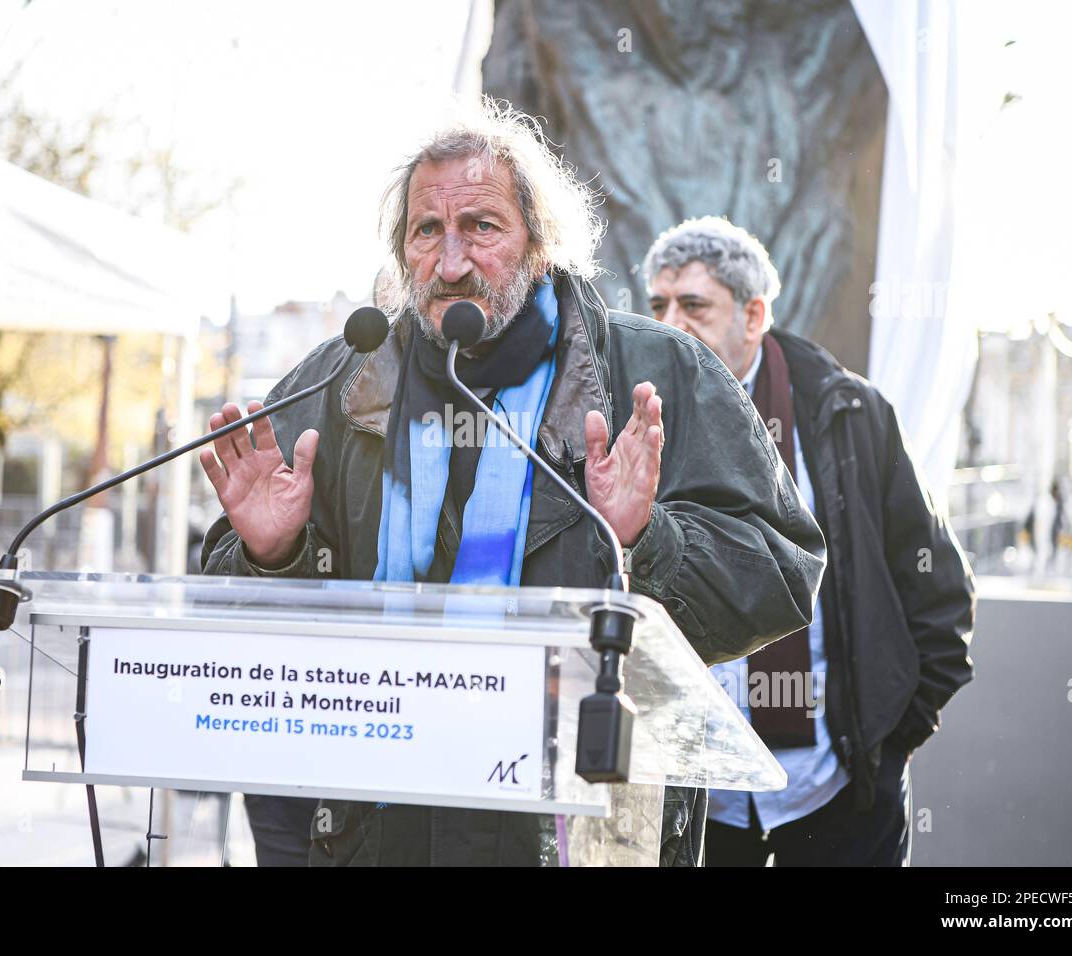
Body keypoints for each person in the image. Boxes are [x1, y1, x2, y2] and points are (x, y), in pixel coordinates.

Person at [198, 102, 825, 867]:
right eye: (427, 232)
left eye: (482, 228)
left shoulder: (655, 373)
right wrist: (269, 558)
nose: (451, 261)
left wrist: (649, 540)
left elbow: (784, 576)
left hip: (581, 830)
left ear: (540, 244)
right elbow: (237, 625)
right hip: (372, 832)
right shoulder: (337, 384)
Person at [644, 215, 976, 865]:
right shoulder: (637, 424)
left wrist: (885, 746)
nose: (671, 323)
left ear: (753, 314)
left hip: (836, 791)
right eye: (658, 305)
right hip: (699, 798)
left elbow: (937, 589)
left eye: (694, 305)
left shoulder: (848, 414)